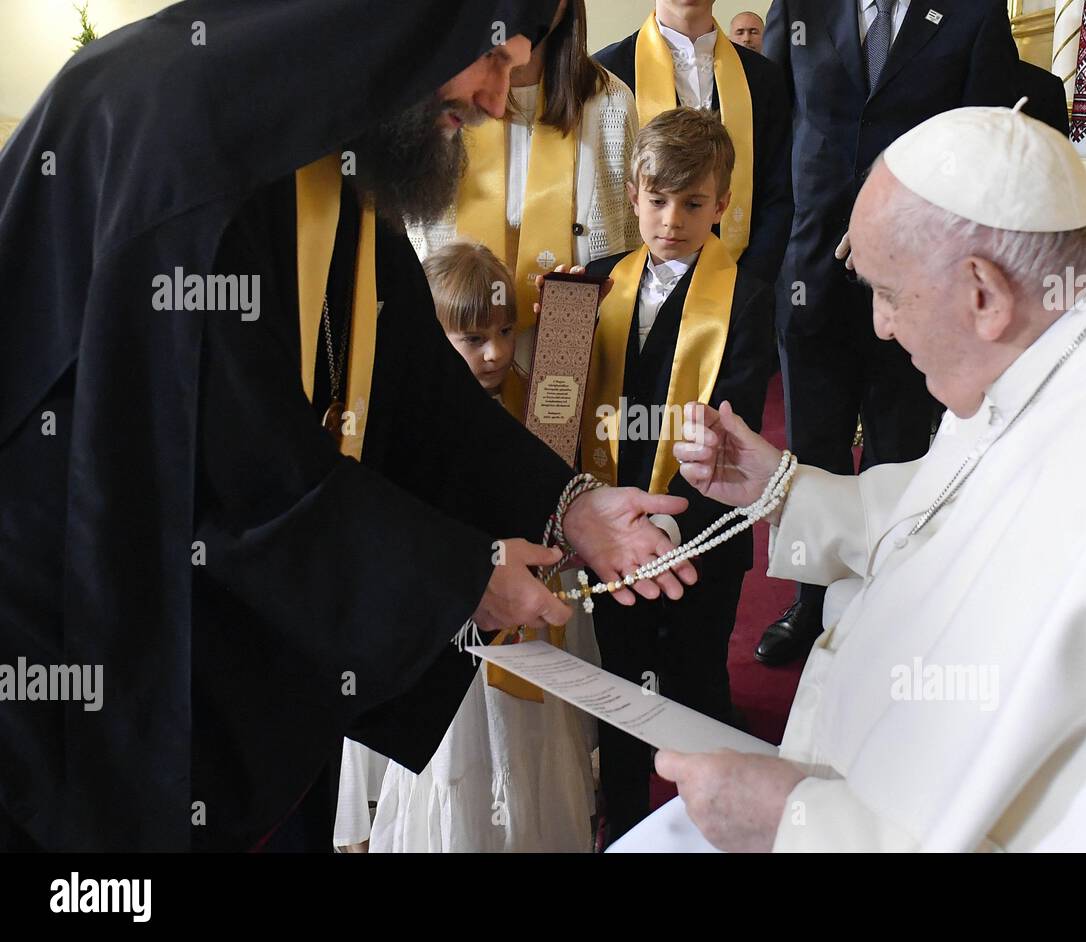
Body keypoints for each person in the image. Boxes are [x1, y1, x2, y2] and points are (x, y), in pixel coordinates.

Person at [0, 0, 696, 852]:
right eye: (489, 59)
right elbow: (235, 469)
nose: (496, 100)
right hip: (91, 630)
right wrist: (459, 579)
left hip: (254, 608)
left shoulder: (325, 140)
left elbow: (409, 383)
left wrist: (568, 503)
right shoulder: (186, 136)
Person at [614, 102, 1086, 852]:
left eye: (888, 293)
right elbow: (948, 511)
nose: (879, 325)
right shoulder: (1070, 337)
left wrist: (804, 827)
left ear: (983, 294)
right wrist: (784, 486)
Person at [756, 0, 1020, 666]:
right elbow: (768, 130)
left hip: (917, 281)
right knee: (809, 448)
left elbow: (983, 149)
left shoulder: (973, 15)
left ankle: (884, 605)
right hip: (809, 269)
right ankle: (808, 604)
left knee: (898, 447)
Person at [355, 243, 599, 852]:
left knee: (532, 751)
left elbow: (561, 451)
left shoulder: (541, 395)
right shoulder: (414, 428)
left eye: (506, 331)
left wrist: (566, 316)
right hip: (458, 638)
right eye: (471, 340)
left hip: (540, 634)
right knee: (462, 770)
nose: (495, 353)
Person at [577, 108, 774, 843]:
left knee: (695, 677)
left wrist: (674, 518)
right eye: (658, 200)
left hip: (703, 529)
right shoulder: (598, 283)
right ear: (632, 194)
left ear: (722, 204)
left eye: (693, 203)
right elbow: (567, 396)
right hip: (616, 532)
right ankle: (624, 820)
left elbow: (735, 423)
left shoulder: (749, 298)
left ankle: (707, 825)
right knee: (620, 683)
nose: (672, 219)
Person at [408, 0, 640, 376]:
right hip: (450, 347)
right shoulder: (446, 88)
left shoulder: (610, 100)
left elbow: (628, 243)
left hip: (570, 352)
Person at [595, 0, 793, 284]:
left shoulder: (763, 77)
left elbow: (778, 190)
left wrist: (749, 281)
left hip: (739, 285)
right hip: (628, 285)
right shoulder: (605, 73)